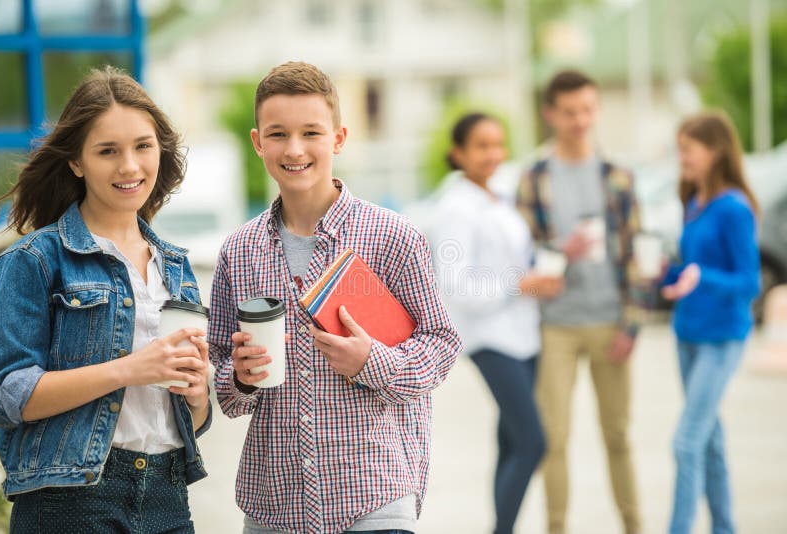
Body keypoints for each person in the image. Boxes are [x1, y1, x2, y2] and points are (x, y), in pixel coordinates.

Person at [207, 61, 462, 534]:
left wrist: (373, 361)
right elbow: (224, 385)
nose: (295, 149)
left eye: (311, 132)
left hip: (374, 494)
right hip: (274, 504)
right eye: (278, 134)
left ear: (339, 138)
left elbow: (442, 346)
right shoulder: (239, 252)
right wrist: (240, 377)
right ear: (258, 142)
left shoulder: (392, 236)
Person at [0, 66, 212, 533]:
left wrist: (196, 398)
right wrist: (131, 368)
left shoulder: (175, 266)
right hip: (72, 498)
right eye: (108, 151)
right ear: (76, 162)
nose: (129, 166)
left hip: (168, 495)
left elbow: (189, 417)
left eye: (142, 146)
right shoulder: (34, 260)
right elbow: (6, 396)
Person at [516, 70, 646, 534]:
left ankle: (634, 526)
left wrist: (632, 323)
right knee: (554, 438)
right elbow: (524, 253)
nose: (580, 120)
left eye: (588, 110)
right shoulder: (533, 178)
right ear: (550, 113)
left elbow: (636, 252)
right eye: (570, 112)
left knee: (618, 436)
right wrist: (558, 256)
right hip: (556, 326)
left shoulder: (618, 176)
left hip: (610, 321)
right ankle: (557, 527)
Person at [430, 112, 558, 534]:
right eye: (482, 146)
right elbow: (455, 284)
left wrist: (544, 266)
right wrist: (521, 284)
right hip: (489, 339)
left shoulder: (498, 196)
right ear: (458, 153)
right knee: (533, 442)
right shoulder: (455, 209)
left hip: (524, 336)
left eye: (499, 144)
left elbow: (514, 258)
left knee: (511, 443)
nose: (494, 154)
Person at [662, 112, 760, 534]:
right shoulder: (692, 201)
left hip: (722, 339)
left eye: (688, 148)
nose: (680, 157)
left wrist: (703, 276)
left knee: (685, 443)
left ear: (715, 149)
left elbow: (749, 282)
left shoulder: (735, 208)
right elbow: (691, 269)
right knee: (710, 442)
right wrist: (669, 275)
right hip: (687, 334)